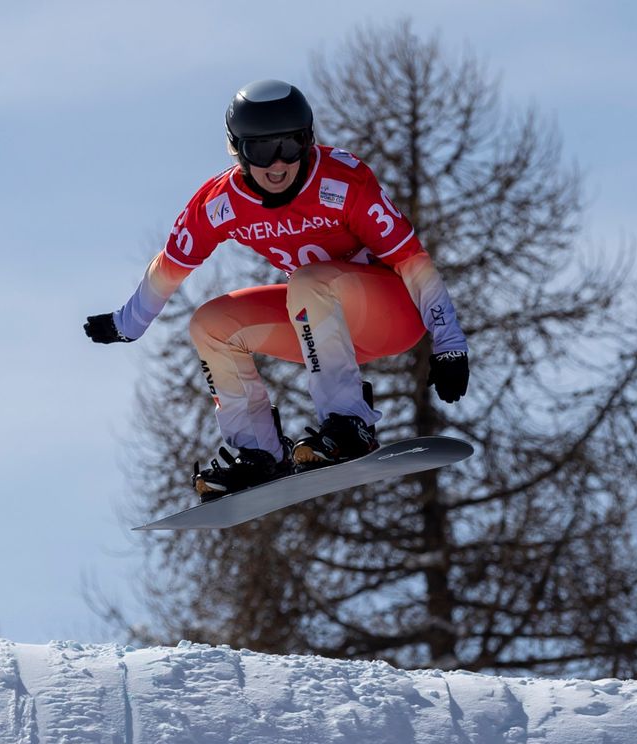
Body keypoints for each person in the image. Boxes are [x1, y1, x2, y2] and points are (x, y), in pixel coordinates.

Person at [85, 79, 469, 501]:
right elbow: (172, 265)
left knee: (307, 283)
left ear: (309, 140)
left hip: (390, 315)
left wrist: (448, 344)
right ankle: (258, 451)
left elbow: (412, 261)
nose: (278, 163)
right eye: (262, 149)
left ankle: (348, 425)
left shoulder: (342, 182)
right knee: (211, 325)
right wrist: (129, 323)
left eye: (291, 145)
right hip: (319, 325)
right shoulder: (220, 203)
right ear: (237, 150)